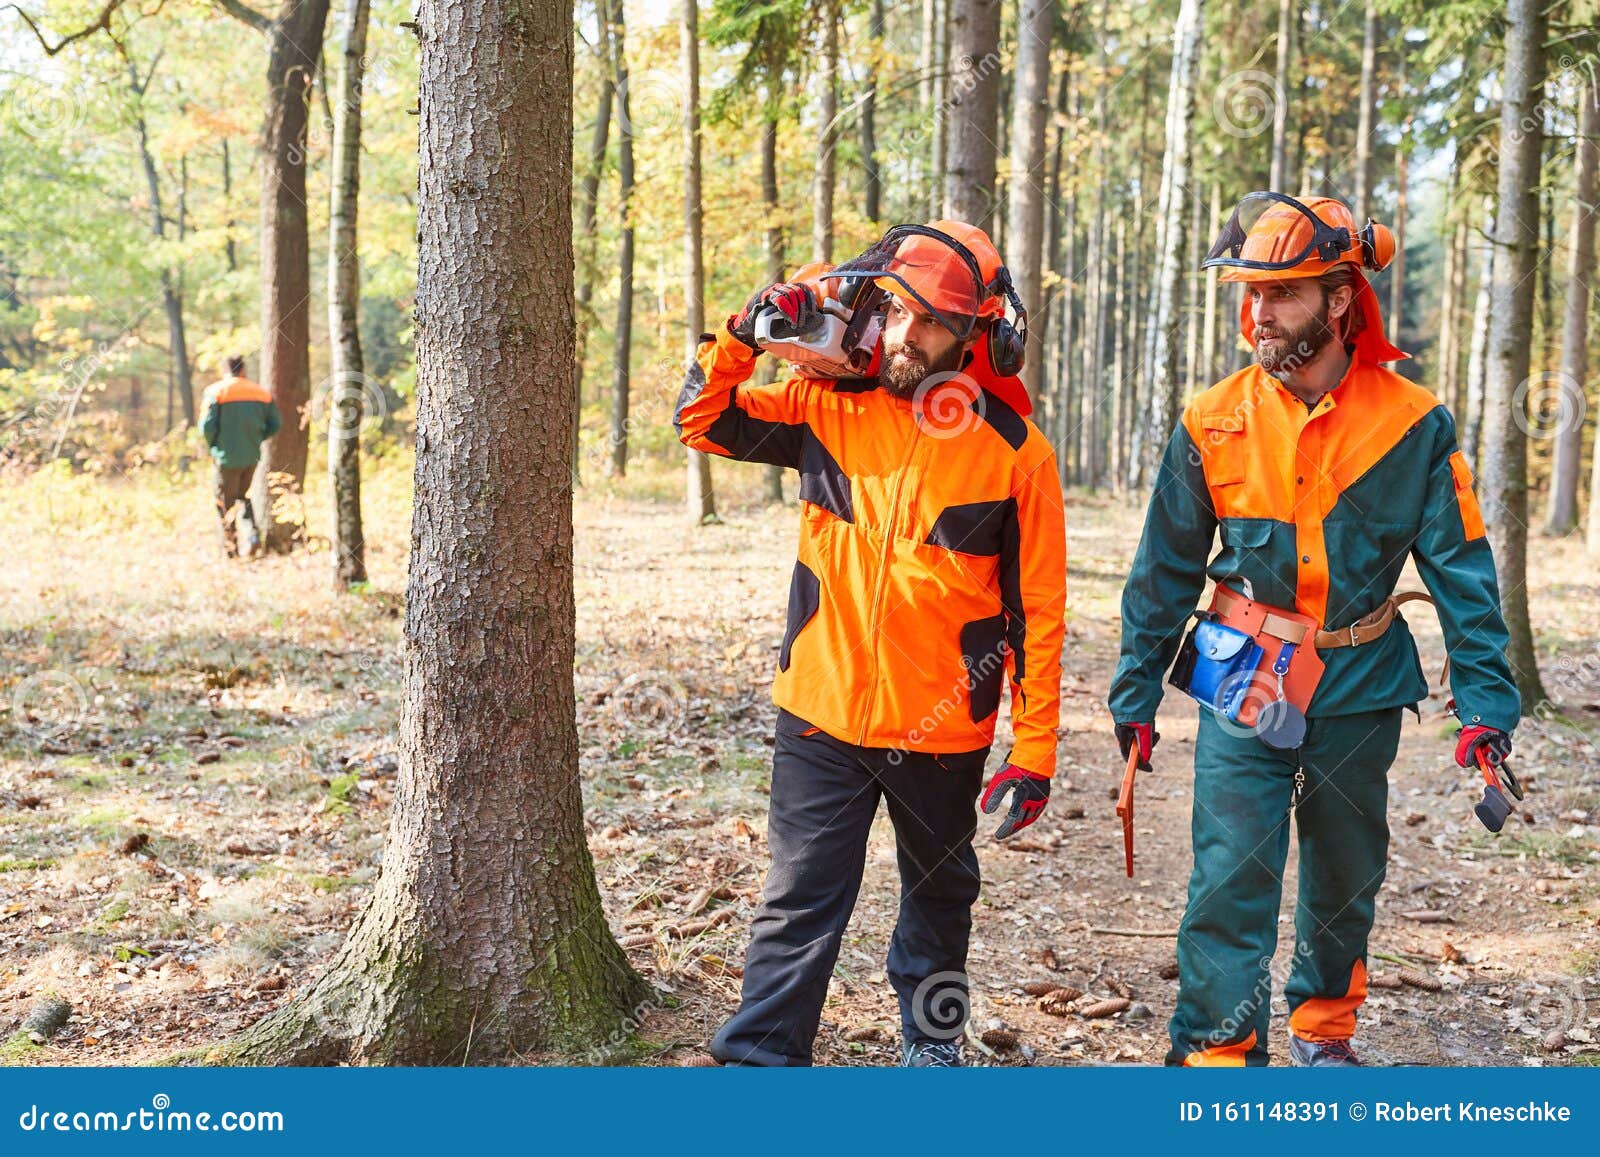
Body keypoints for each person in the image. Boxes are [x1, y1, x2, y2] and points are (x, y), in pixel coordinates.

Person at [1108, 192, 1521, 1066]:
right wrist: (1134, 697)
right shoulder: (1211, 419)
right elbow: (1162, 574)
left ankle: (1324, 1031)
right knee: (1229, 870)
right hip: (1240, 672)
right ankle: (1219, 1055)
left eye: (1280, 294)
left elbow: (1465, 578)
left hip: (1361, 683)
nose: (1257, 312)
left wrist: (1486, 707)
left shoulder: (1414, 422)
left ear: (1338, 300)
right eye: (1250, 294)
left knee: (1344, 872)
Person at [676, 220, 1067, 1066]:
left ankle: (932, 1044)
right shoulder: (826, 406)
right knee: (799, 897)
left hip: (941, 725)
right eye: (898, 311)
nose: (907, 336)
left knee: (941, 894)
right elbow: (701, 421)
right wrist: (744, 334)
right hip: (820, 707)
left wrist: (1033, 751)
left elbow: (1038, 615)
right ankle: (761, 1061)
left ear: (980, 334)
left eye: (933, 324)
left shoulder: (1017, 457)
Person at [200, 355, 281, 558]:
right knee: (243, 497)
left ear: (225, 370)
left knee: (224, 502)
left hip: (225, 458)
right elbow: (276, 424)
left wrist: (214, 447)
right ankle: (253, 536)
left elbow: (207, 427)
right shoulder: (260, 393)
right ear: (243, 370)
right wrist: (257, 438)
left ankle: (231, 550)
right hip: (251, 456)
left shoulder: (216, 392)